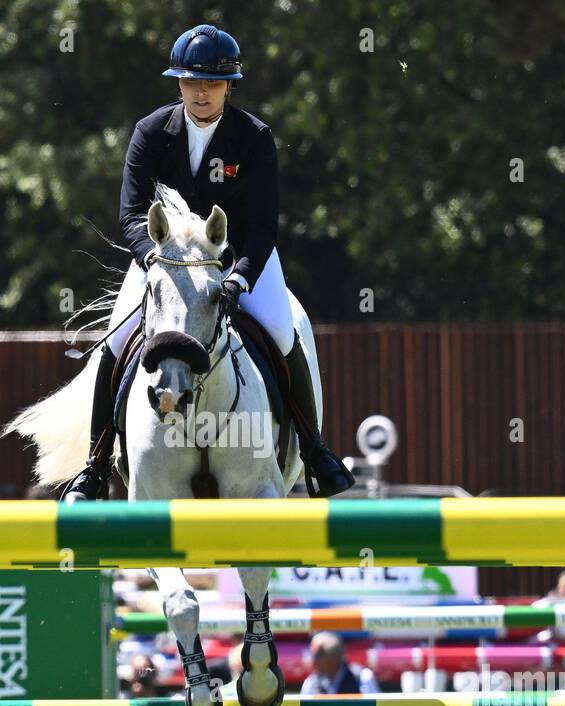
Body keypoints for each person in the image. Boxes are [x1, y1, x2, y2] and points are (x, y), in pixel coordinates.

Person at [61, 23, 354, 503]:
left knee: (283, 333)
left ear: (229, 86)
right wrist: (154, 260)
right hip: (166, 259)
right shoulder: (151, 132)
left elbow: (261, 227)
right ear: (178, 83)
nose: (201, 92)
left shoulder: (254, 138)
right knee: (114, 344)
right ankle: (94, 467)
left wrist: (239, 277)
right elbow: (132, 214)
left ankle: (315, 451)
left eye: (212, 83)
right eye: (192, 81)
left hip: (238, 258)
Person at [294, 632, 385, 706]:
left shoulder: (362, 677)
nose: (313, 660)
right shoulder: (311, 683)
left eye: (317, 655)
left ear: (333, 656)